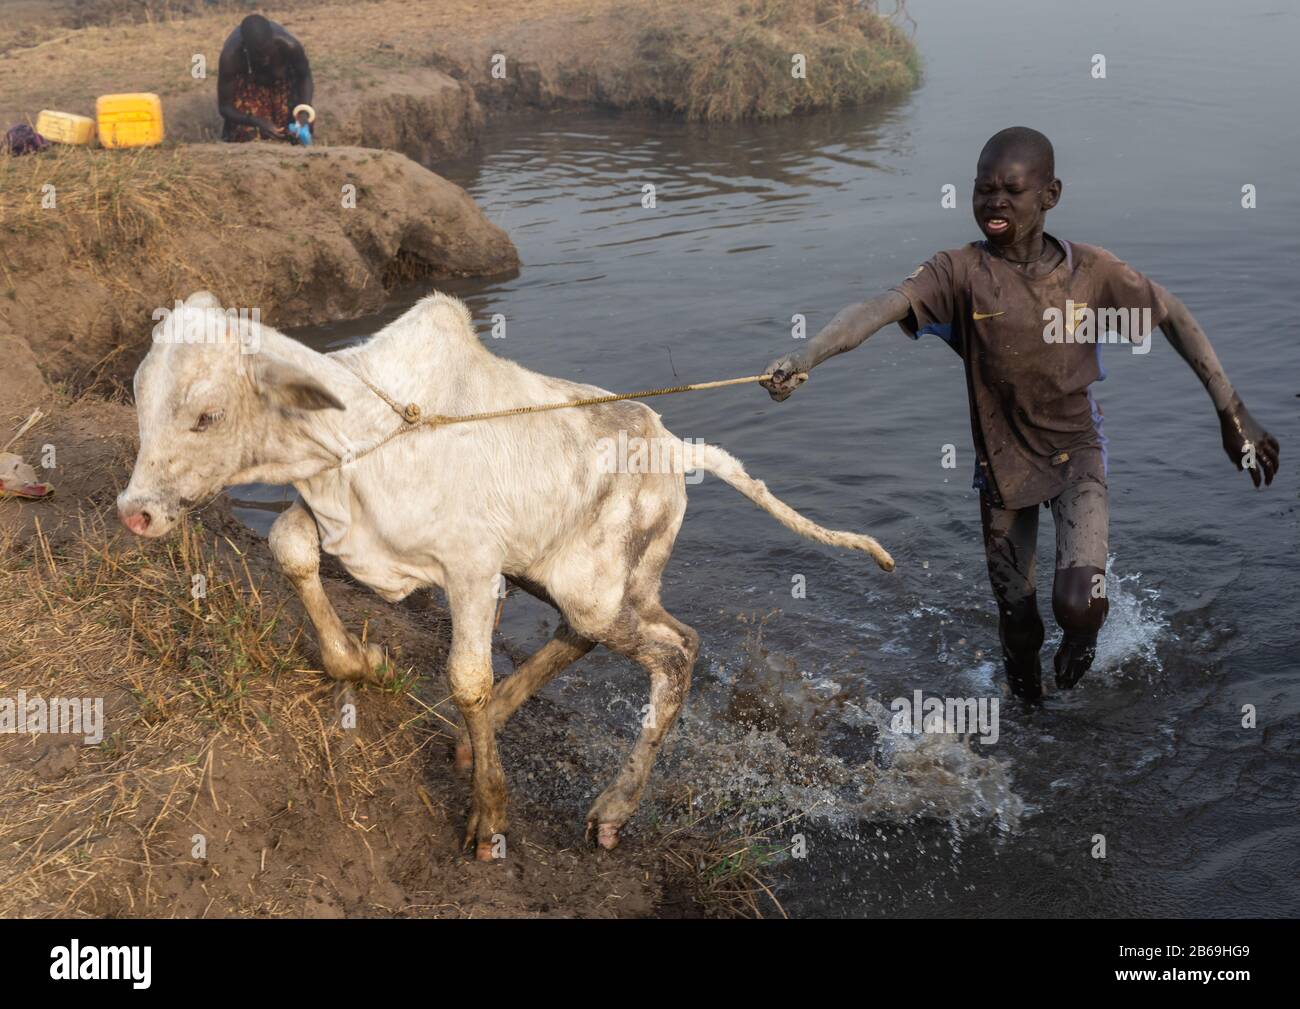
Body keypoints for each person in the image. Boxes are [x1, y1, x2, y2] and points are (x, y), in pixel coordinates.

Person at [760, 126, 1280, 702]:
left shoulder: (1092, 274)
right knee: (1019, 624)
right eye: (984, 190)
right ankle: (1031, 725)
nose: (995, 202)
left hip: (1077, 452)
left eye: (1012, 190)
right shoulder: (958, 274)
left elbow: (1173, 314)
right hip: (1001, 464)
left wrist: (1232, 413)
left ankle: (1084, 641)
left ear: (1050, 195)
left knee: (1080, 604)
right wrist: (809, 353)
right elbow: (881, 307)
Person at [217, 13, 314, 143]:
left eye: (269, 52)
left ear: (273, 41)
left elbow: (304, 78)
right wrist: (256, 121)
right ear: (246, 48)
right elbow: (225, 107)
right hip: (249, 86)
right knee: (246, 136)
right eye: (258, 55)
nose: (265, 60)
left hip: (282, 83)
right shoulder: (231, 58)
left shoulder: (289, 47)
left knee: (293, 132)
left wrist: (303, 112)